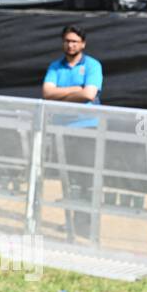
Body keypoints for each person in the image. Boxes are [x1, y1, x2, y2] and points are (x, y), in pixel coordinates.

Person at [42, 24, 103, 238]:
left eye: (75, 41)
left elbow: (89, 95)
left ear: (83, 44)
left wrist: (62, 93)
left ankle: (87, 226)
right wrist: (76, 89)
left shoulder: (93, 65)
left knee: (88, 180)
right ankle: (71, 223)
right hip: (61, 130)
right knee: (68, 180)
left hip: (88, 129)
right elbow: (47, 93)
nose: (71, 45)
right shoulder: (55, 66)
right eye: (67, 41)